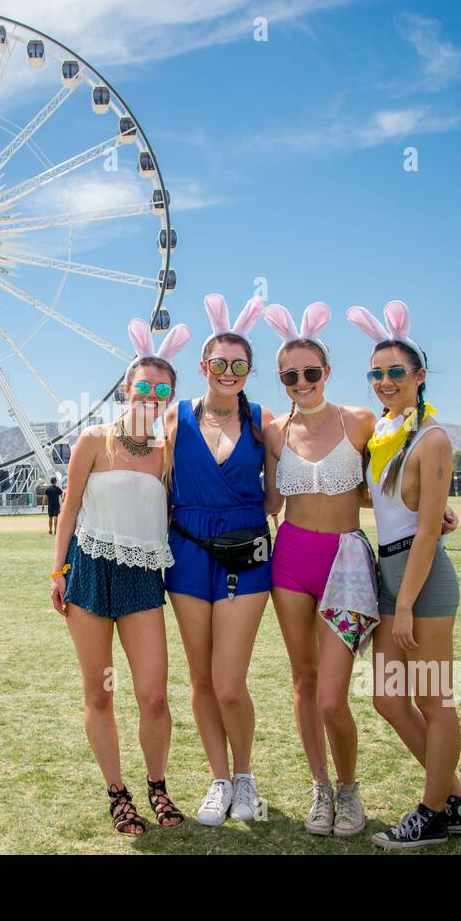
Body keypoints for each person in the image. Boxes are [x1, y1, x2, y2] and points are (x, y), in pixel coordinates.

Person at [49, 317, 191, 835]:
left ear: (171, 396)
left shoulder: (167, 453)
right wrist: (58, 571)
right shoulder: (92, 440)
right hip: (88, 573)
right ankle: (118, 793)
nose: (151, 396)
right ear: (126, 391)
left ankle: (157, 786)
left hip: (142, 580)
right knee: (100, 693)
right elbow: (68, 512)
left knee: (153, 695)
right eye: (143, 388)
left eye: (162, 390)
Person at [346, 301, 461, 850]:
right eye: (376, 373)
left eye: (396, 372)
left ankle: (433, 812)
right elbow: (382, 506)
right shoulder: (382, 437)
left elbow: (428, 533)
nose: (384, 382)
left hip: (421, 582)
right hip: (388, 570)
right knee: (387, 698)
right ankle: (458, 799)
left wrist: (403, 606)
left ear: (419, 376)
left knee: (433, 699)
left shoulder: (434, 439)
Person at [261, 299, 376, 836]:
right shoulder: (274, 432)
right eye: (290, 374)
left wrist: (432, 509)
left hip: (347, 563)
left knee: (333, 695)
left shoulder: (359, 421)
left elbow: (382, 488)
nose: (301, 381)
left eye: (310, 372)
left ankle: (350, 789)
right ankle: (320, 789)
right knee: (304, 682)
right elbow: (265, 501)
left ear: (327, 373)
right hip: (290, 562)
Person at [162, 294, 274, 828]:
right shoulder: (172, 420)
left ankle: (247, 777)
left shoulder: (262, 422)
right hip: (184, 551)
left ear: (249, 370)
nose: (229, 372)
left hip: (245, 553)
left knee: (230, 683)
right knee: (201, 679)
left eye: (240, 365)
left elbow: (289, 485)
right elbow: (138, 472)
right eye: (219, 364)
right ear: (203, 367)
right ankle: (219, 779)